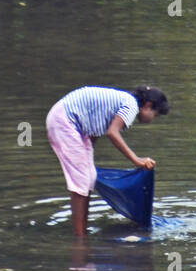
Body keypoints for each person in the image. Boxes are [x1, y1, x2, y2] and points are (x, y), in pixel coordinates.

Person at [46, 85, 168, 236]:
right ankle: (80, 238)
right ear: (148, 106)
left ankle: (82, 231)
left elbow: (95, 126)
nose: (152, 119)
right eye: (155, 115)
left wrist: (87, 159)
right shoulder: (131, 105)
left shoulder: (125, 102)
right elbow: (112, 132)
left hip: (69, 121)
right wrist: (136, 160)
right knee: (81, 180)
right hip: (65, 121)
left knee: (89, 176)